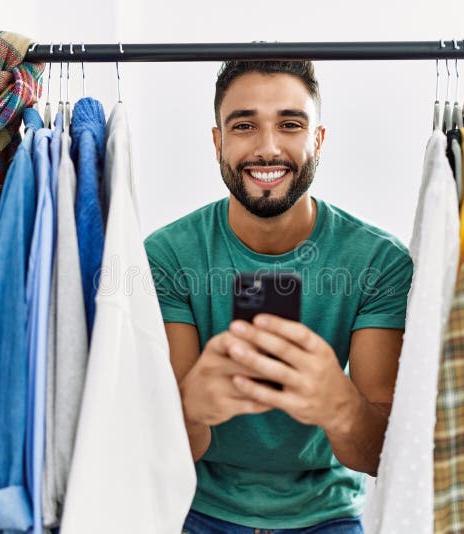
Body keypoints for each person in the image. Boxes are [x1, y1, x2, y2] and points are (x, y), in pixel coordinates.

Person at [144, 60, 413, 533]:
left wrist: (339, 405)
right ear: (217, 142)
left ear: (319, 140)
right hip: (199, 510)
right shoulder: (166, 255)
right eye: (244, 126)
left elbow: (378, 458)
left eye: (290, 124)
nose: (268, 148)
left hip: (328, 514)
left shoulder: (379, 262)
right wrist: (189, 409)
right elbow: (163, 454)